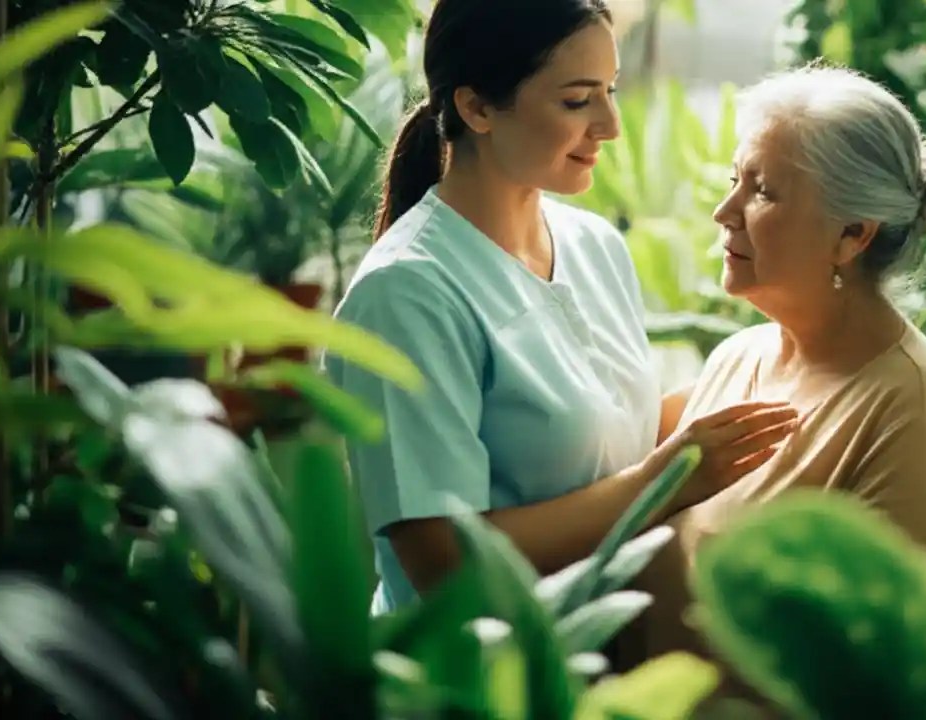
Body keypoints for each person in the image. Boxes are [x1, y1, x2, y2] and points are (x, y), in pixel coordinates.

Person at [323, 0, 798, 615]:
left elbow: (598, 439)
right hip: (466, 684)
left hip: (600, 657)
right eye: (577, 101)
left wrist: (765, 366)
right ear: (477, 107)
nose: (609, 125)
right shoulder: (408, 292)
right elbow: (443, 559)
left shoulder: (593, 244)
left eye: (610, 91)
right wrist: (667, 479)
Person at [617, 65, 926, 681]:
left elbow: (898, 682)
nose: (725, 211)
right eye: (734, 180)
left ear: (852, 234)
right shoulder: (737, 359)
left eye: (763, 191)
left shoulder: (918, 417)